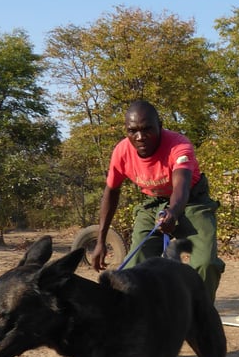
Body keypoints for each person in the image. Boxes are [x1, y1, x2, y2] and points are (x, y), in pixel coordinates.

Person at [90, 100, 225, 302]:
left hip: (191, 201)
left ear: (160, 126)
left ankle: (199, 315)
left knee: (205, 263)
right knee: (134, 266)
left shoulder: (179, 146)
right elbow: (111, 192)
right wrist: (100, 241)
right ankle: (138, 319)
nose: (140, 137)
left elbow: (181, 187)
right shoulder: (121, 152)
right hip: (153, 203)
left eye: (147, 129)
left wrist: (173, 212)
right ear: (126, 130)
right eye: (133, 131)